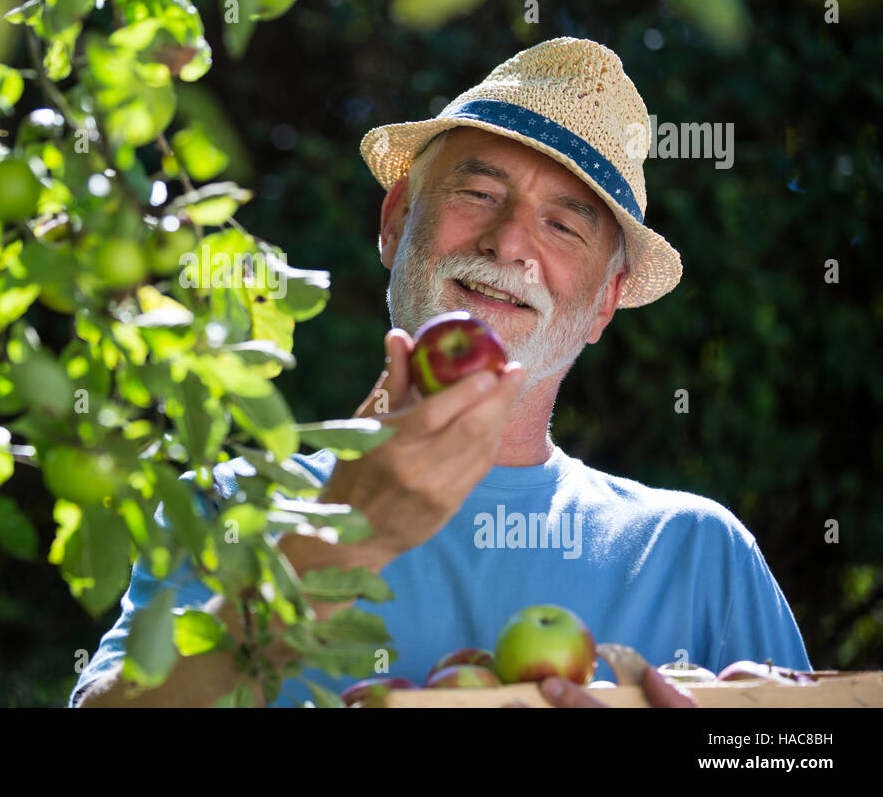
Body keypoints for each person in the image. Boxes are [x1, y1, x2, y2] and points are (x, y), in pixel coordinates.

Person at [70, 37, 811, 708]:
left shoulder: (694, 554)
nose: (508, 241)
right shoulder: (230, 509)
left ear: (605, 302)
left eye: (563, 223)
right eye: (478, 193)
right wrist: (335, 547)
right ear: (395, 221)